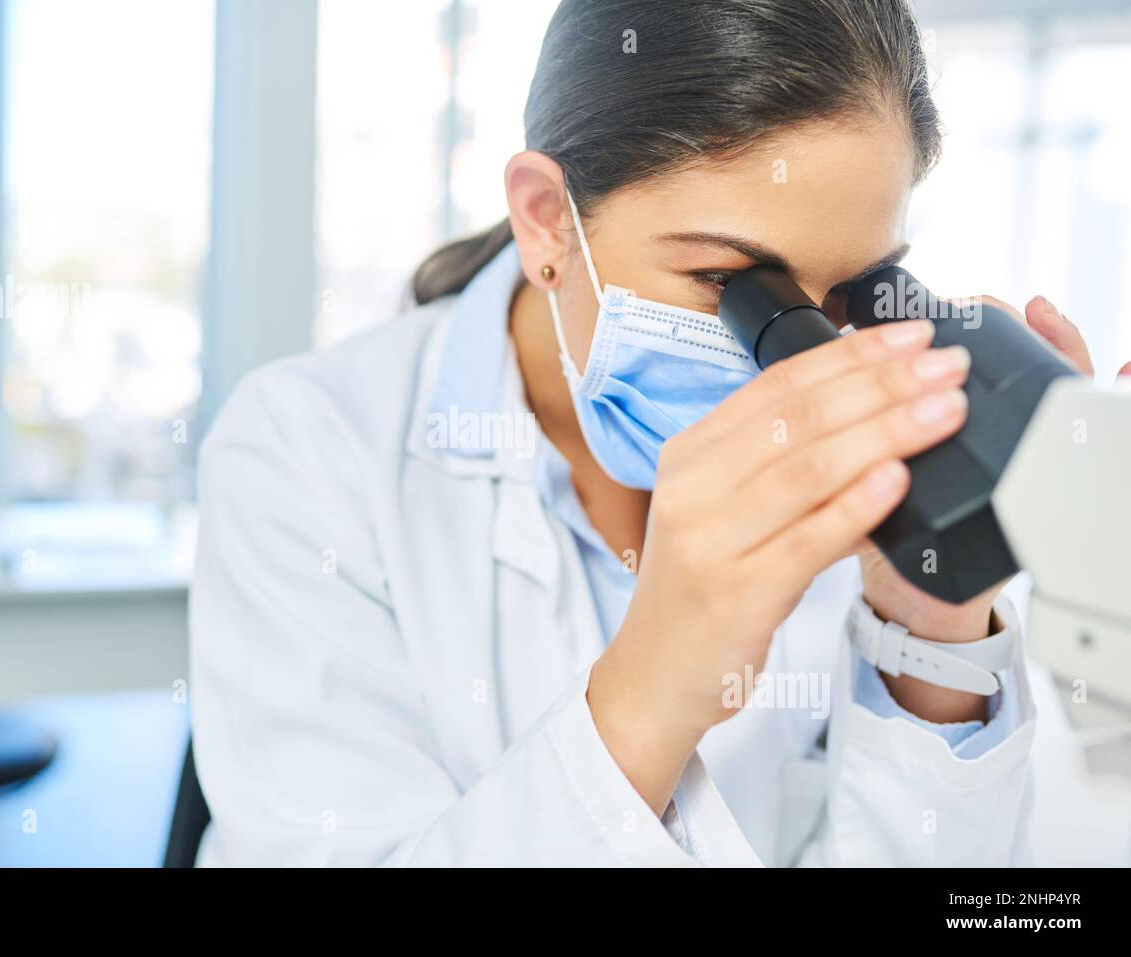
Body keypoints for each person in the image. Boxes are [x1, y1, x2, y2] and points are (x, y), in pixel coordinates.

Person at [190, 0, 1115, 866]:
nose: (801, 358)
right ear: (548, 221)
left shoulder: (859, 467)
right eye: (728, 283)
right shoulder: (303, 453)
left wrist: (930, 632)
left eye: (853, 296)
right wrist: (655, 683)